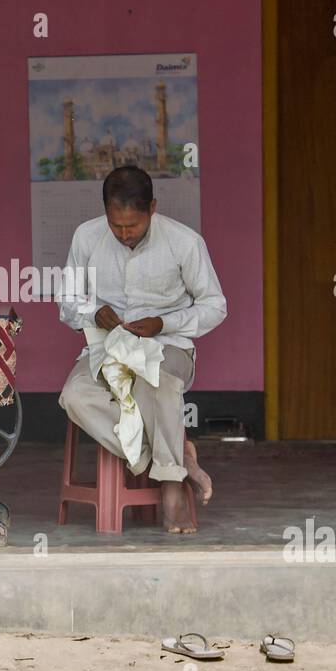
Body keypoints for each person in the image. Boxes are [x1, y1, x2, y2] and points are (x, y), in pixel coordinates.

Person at [57, 165, 227, 533]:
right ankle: (176, 457)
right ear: (105, 212)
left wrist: (164, 323)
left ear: (152, 207)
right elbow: (67, 302)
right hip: (108, 349)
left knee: (159, 383)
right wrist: (93, 312)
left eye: (132, 225)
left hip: (168, 347)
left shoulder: (184, 242)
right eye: (115, 225)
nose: (123, 234)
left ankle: (170, 489)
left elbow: (215, 305)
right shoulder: (86, 237)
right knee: (75, 396)